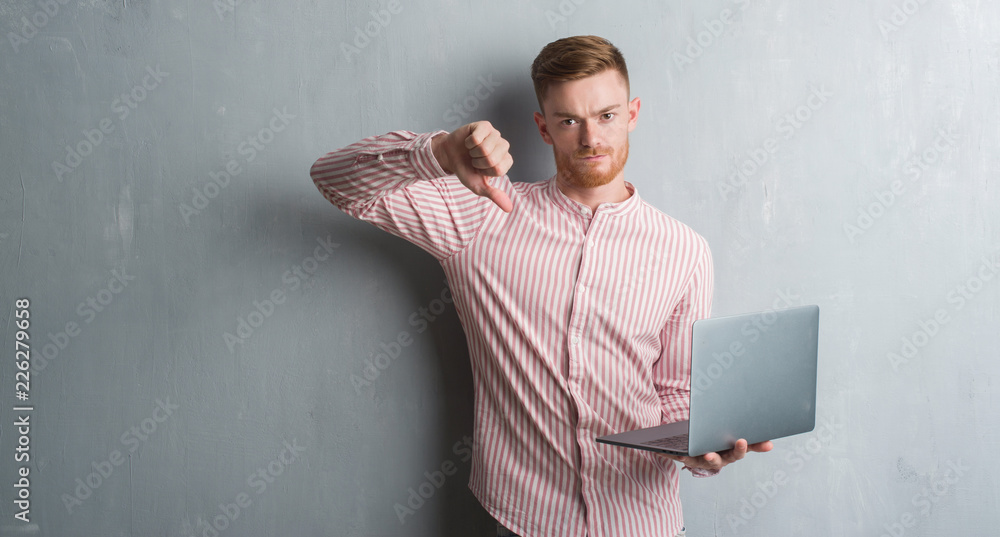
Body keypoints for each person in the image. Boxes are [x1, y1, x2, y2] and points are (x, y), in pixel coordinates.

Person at [310, 34, 772, 537]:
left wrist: (706, 452)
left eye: (607, 115)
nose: (591, 138)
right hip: (521, 520)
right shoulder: (481, 214)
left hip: (643, 521)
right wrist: (440, 152)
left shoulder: (685, 249)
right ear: (543, 127)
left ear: (633, 112)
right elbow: (333, 180)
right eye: (569, 120)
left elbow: (676, 394)